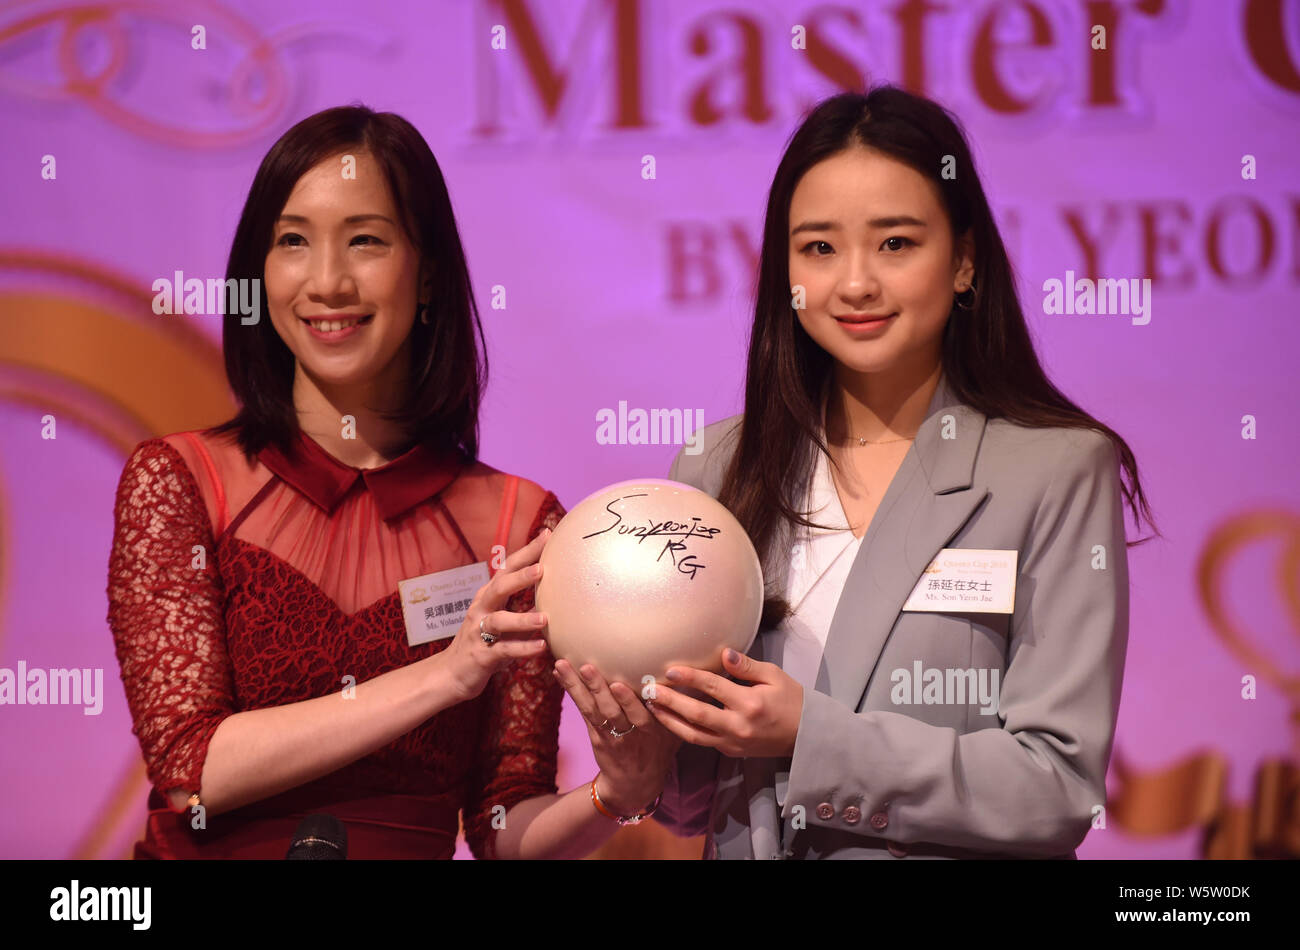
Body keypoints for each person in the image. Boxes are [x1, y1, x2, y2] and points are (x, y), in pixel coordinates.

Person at [555, 85, 1155, 859]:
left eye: (897, 243)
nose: (856, 283)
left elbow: (1053, 786)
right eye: (819, 248)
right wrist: (643, 765)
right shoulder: (716, 466)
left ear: (965, 259)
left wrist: (813, 735)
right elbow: (697, 801)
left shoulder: (1056, 468)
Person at [106, 105, 664, 859]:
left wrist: (618, 793)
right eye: (293, 241)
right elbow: (191, 769)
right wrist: (447, 674)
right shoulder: (180, 482)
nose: (327, 281)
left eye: (365, 240)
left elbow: (503, 827)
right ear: (259, 272)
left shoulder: (520, 523)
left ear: (427, 270)